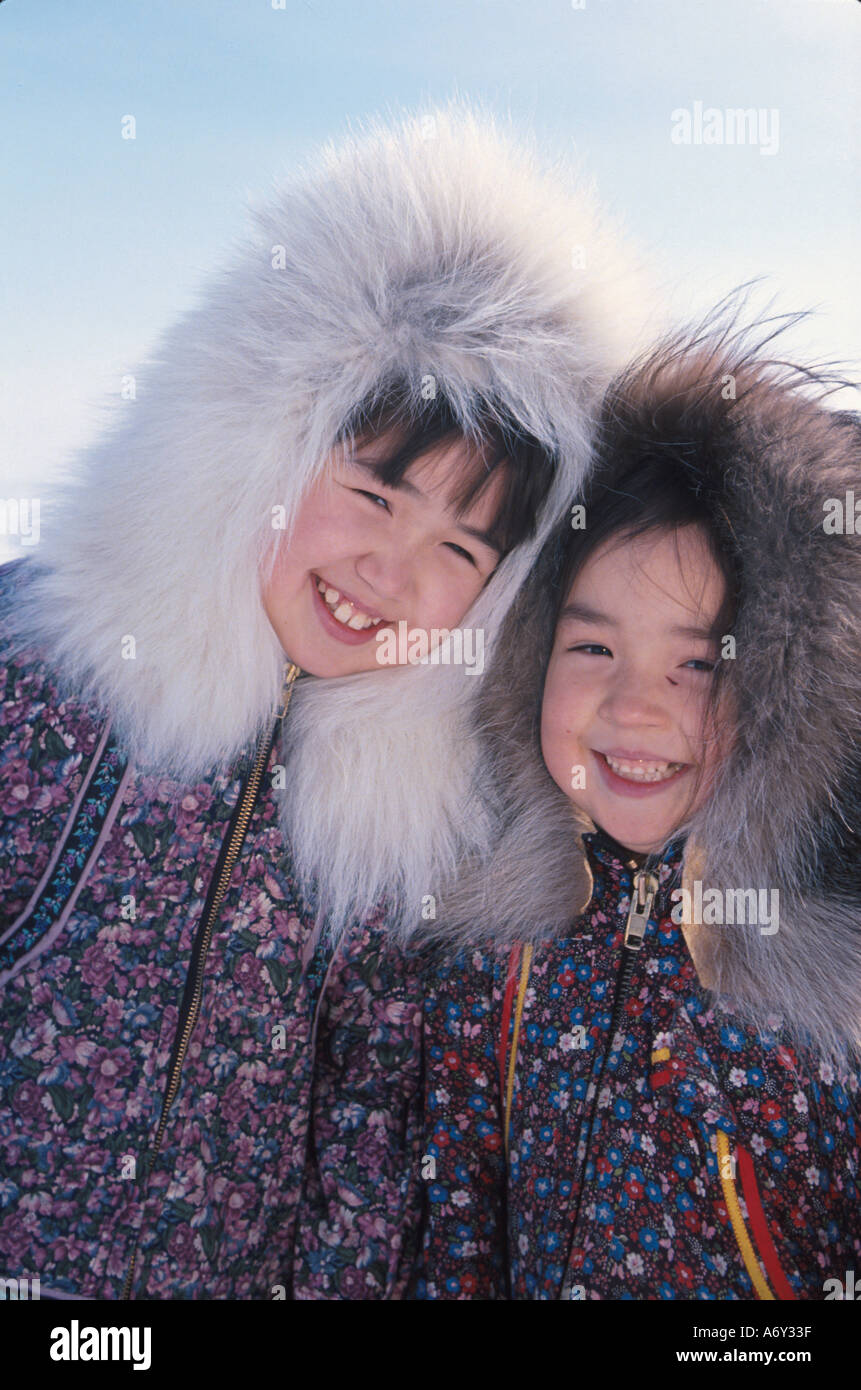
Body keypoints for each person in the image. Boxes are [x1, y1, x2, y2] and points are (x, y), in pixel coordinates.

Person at [0, 104, 646, 1299]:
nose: (391, 575)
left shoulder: (403, 811)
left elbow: (366, 1118)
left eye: (461, 552)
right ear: (264, 440)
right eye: (377, 495)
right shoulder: (47, 679)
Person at [414, 318, 861, 1299]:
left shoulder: (829, 981)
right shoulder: (491, 955)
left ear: (787, 696)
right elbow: (452, 1226)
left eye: (698, 662)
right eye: (591, 649)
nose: (635, 707)